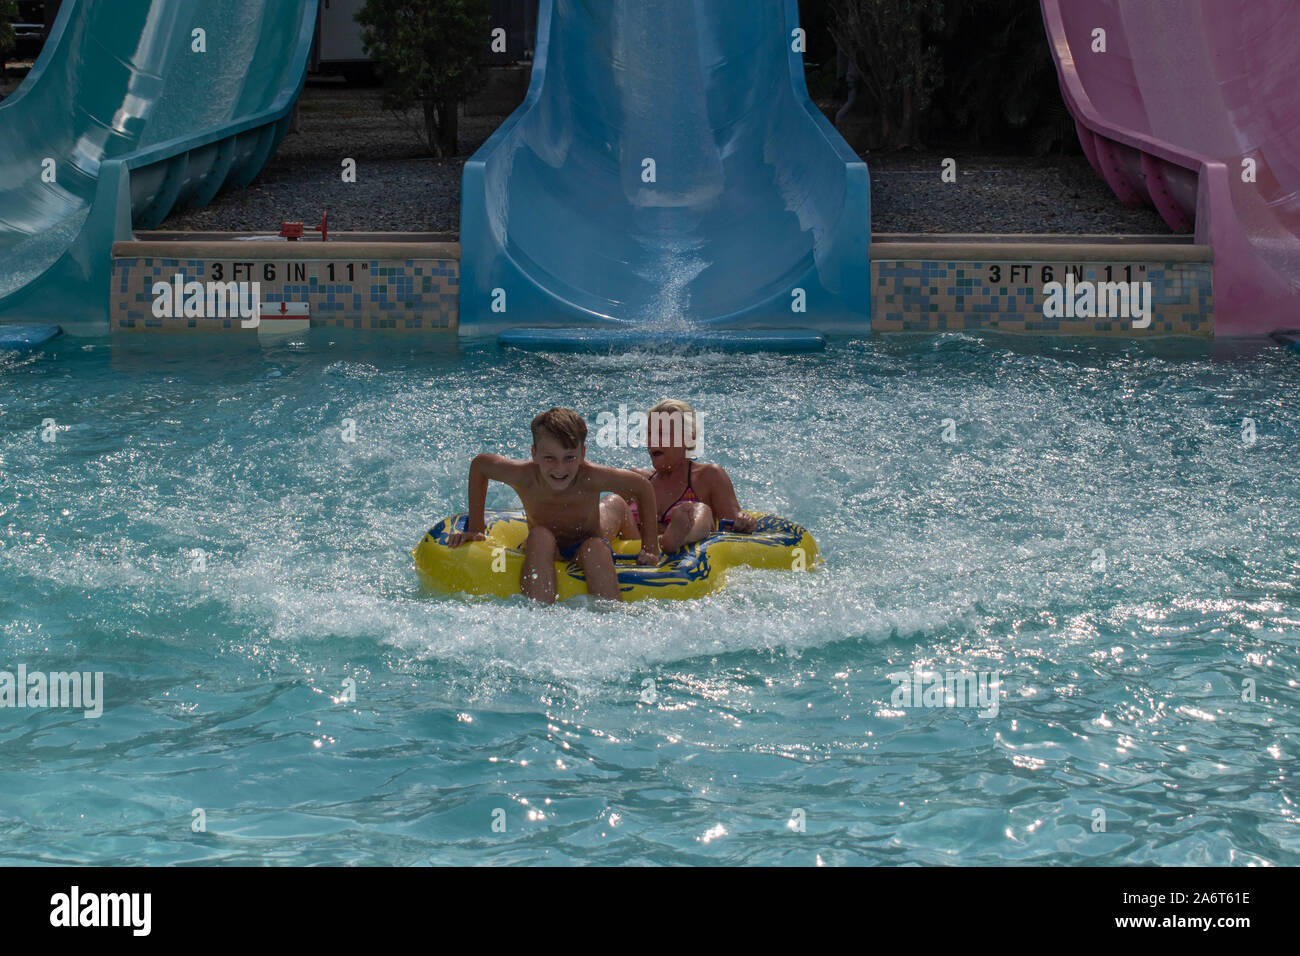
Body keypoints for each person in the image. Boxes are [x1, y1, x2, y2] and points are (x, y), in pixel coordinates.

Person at [447, 407, 659, 603]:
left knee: (596, 546)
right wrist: (476, 527)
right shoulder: (523, 476)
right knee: (539, 536)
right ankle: (539, 613)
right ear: (534, 454)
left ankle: (613, 616)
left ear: (582, 454)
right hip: (546, 545)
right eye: (550, 458)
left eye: (569, 458)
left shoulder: (592, 477)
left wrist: (649, 548)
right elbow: (480, 465)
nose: (560, 468)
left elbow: (642, 486)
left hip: (587, 541)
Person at [601, 399, 757, 554]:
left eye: (662, 433)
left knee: (697, 510)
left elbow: (734, 525)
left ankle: (678, 536)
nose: (652, 440)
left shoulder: (708, 477)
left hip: (685, 554)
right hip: (640, 550)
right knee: (613, 503)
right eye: (650, 433)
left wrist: (744, 522)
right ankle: (585, 537)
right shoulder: (637, 480)